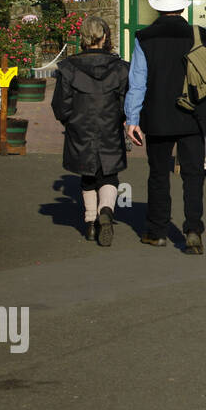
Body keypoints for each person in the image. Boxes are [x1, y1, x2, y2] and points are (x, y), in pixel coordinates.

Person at [124, 0, 206, 254]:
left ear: (158, 8)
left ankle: (156, 232)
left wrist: (132, 119)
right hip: (193, 113)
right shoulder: (199, 35)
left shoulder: (143, 38)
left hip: (156, 115)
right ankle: (193, 230)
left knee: (158, 174)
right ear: (182, 7)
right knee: (193, 175)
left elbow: (137, 83)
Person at [52, 17, 130, 246]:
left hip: (80, 127)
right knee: (109, 175)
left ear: (83, 37)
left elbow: (60, 106)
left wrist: (71, 121)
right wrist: (121, 119)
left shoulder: (68, 68)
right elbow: (126, 102)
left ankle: (90, 222)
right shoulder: (120, 68)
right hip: (110, 126)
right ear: (105, 37)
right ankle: (106, 209)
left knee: (87, 176)